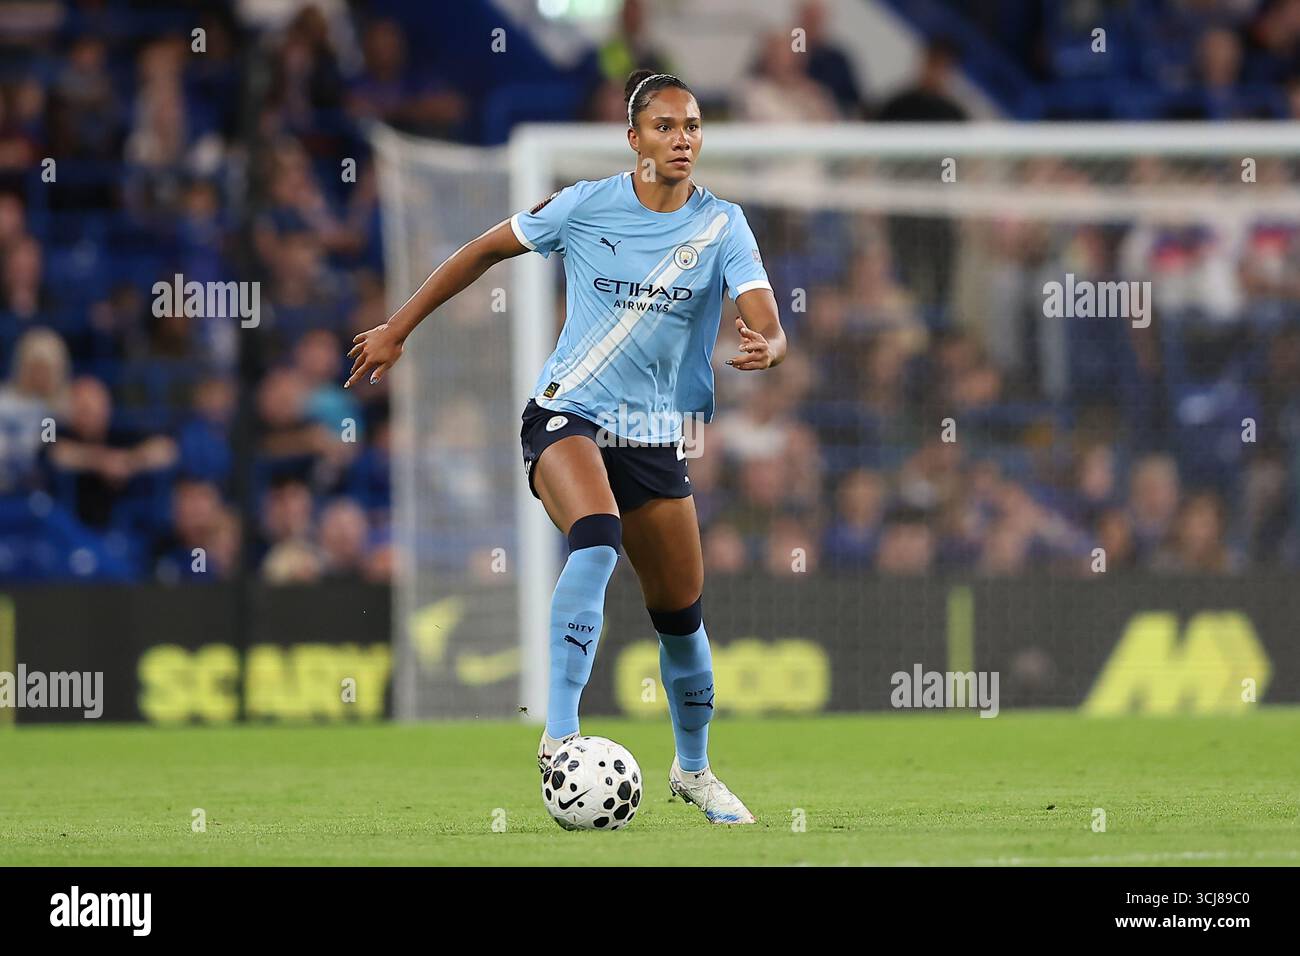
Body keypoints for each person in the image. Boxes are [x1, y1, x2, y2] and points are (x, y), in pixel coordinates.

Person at [346, 71, 787, 825]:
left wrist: (770, 344)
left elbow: (764, 313)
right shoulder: (586, 204)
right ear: (634, 138)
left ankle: (694, 769)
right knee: (596, 537)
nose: (683, 139)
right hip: (566, 415)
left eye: (693, 127)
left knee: (680, 617)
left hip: (653, 439)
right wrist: (399, 327)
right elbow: (479, 252)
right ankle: (558, 734)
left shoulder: (724, 226)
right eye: (667, 126)